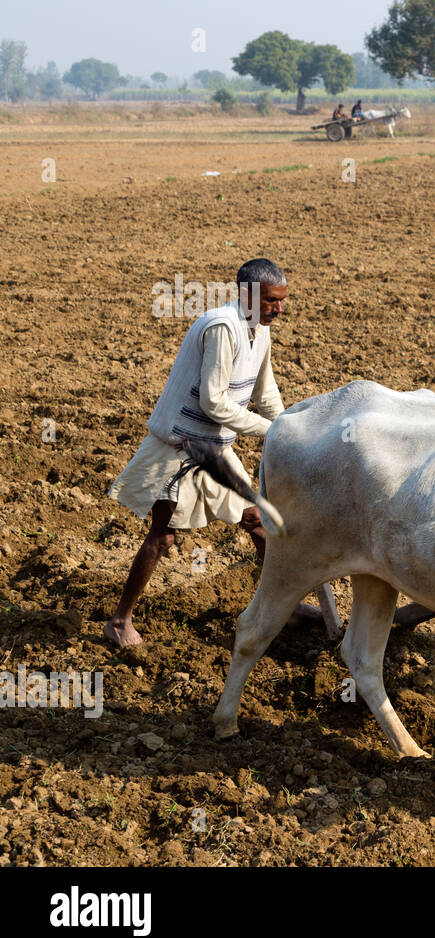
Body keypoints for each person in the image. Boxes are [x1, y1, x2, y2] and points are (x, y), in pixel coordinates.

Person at [103, 258, 318, 648]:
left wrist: (288, 429)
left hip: (214, 449)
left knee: (258, 523)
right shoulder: (222, 326)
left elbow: (265, 394)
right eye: (271, 300)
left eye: (282, 301)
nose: (279, 308)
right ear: (247, 295)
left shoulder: (259, 330)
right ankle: (120, 621)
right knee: (163, 537)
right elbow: (214, 402)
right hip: (178, 447)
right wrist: (271, 432)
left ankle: (286, 607)